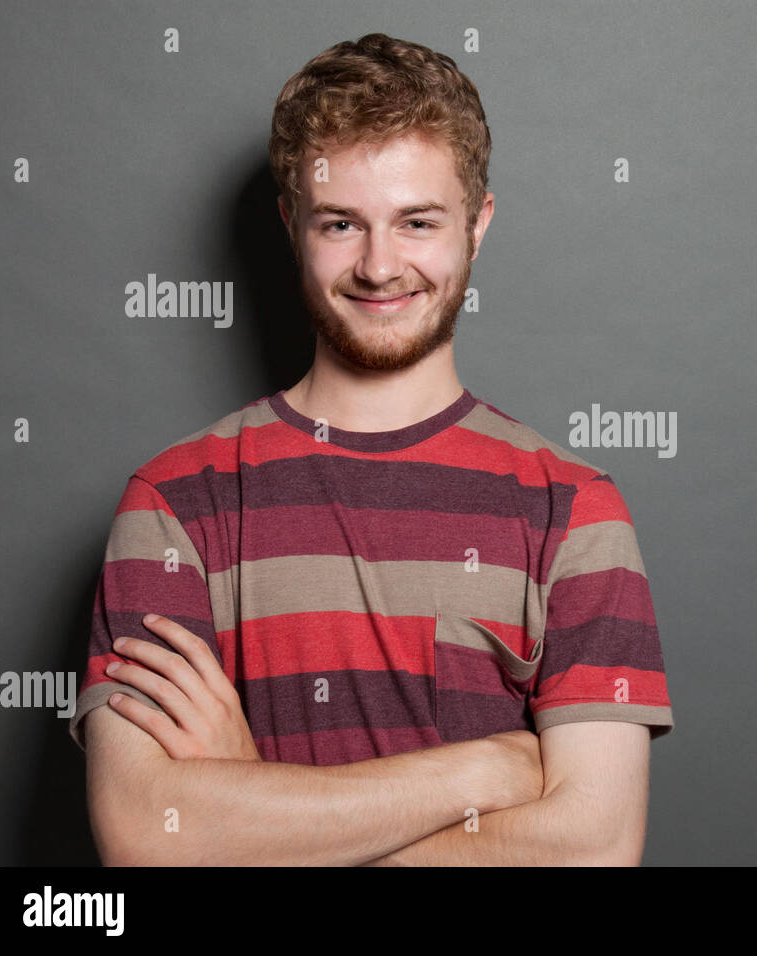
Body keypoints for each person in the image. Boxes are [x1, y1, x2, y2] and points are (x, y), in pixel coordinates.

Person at [72, 33, 673, 866]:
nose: (380, 265)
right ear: (292, 226)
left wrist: (255, 810)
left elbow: (592, 850)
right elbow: (147, 838)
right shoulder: (177, 502)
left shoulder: (573, 510)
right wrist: (483, 769)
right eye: (341, 223)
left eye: (418, 222)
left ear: (477, 226)